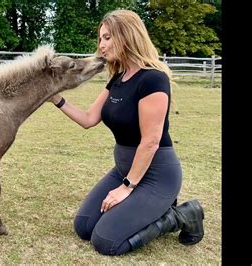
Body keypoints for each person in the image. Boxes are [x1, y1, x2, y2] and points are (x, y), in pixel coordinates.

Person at [48, 9, 204, 256]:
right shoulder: (118, 79)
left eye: (107, 38)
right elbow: (89, 120)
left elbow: (151, 142)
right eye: (100, 39)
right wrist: (54, 97)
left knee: (106, 241)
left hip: (156, 176)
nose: (101, 46)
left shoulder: (153, 79)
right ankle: (146, 207)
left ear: (127, 36)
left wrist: (127, 187)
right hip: (124, 170)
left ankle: (180, 215)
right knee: (84, 227)